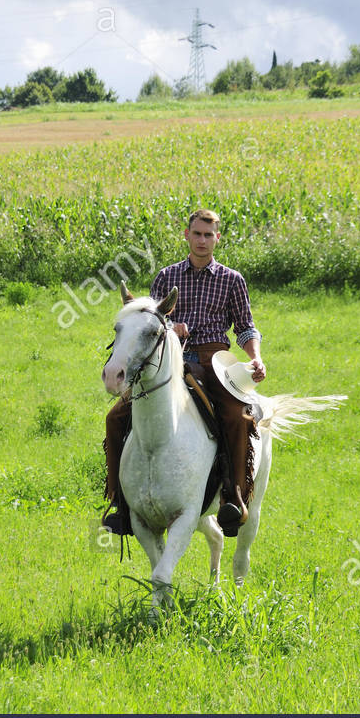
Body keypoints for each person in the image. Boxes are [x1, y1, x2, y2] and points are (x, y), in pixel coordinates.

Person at [101, 207, 266, 537]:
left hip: (214, 361)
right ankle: (121, 503)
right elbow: (150, 321)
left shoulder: (232, 280)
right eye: (197, 233)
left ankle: (232, 498)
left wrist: (256, 357)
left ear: (217, 238)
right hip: (169, 361)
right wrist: (169, 331)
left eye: (209, 235)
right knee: (116, 418)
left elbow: (245, 327)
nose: (202, 240)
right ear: (187, 235)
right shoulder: (166, 277)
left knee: (237, 416)